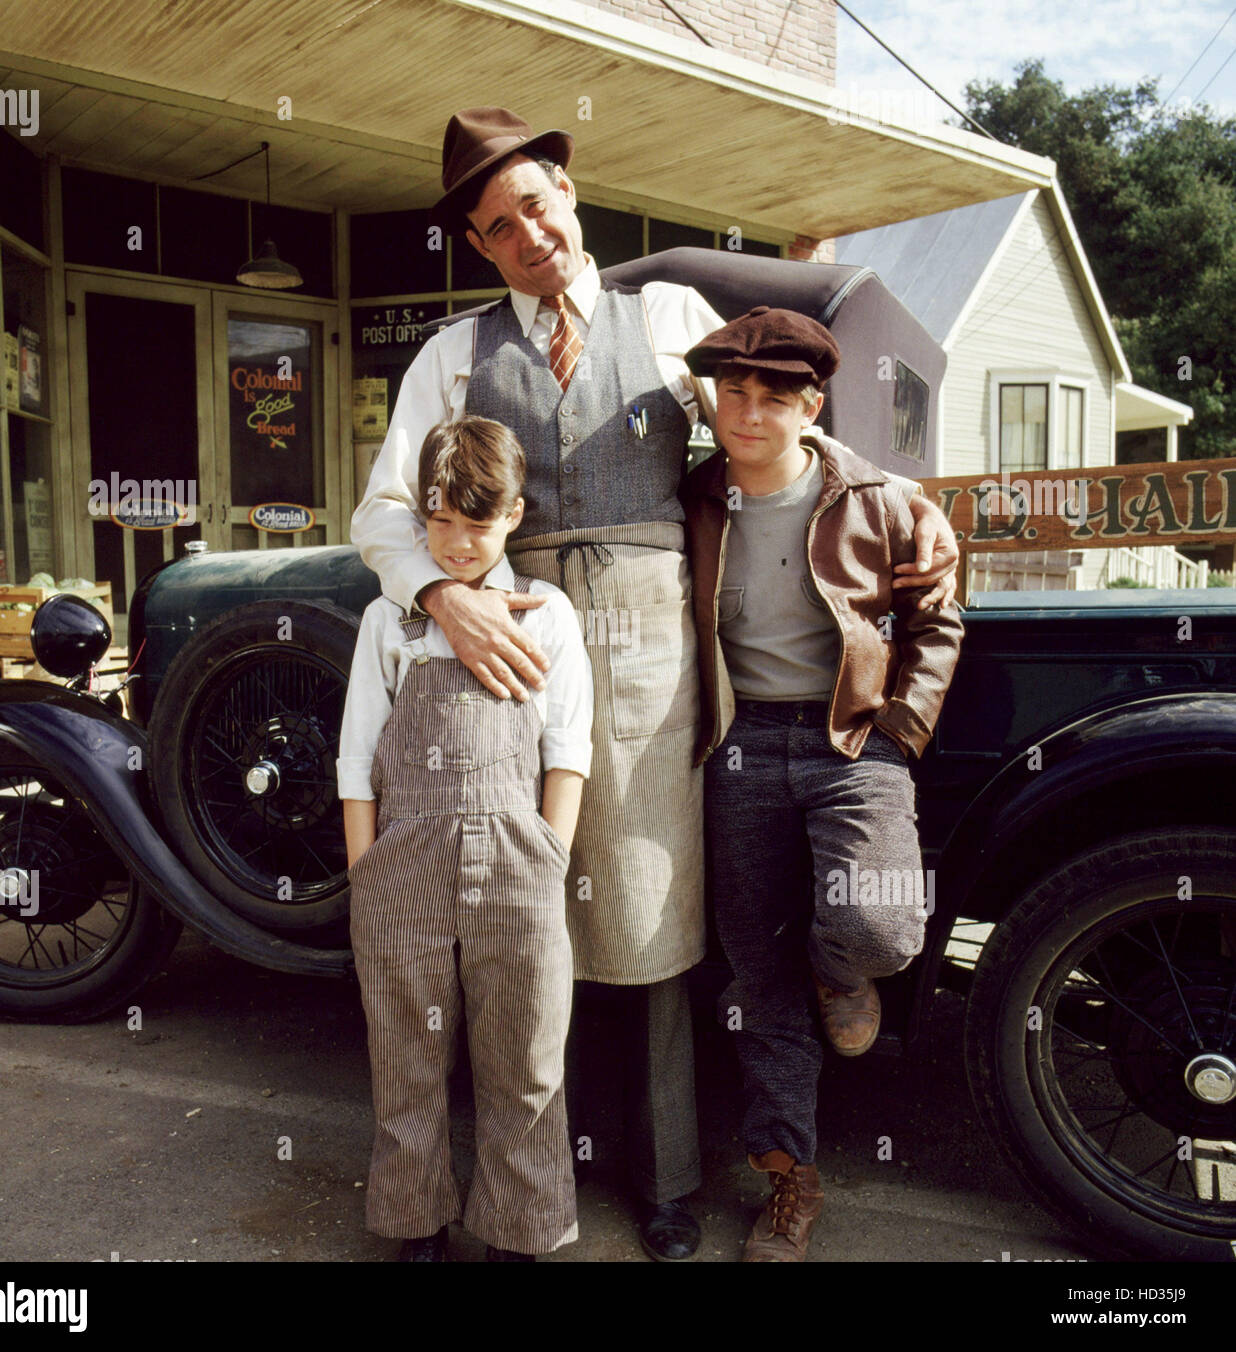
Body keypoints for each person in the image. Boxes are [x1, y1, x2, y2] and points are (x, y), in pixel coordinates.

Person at [349, 106, 960, 1260]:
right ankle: (523, 1187)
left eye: (538, 203)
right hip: (502, 662)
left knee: (650, 925)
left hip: (652, 667)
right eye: (498, 225)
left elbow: (767, 416)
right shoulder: (453, 354)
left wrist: (873, 493)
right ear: (479, 247)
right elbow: (383, 509)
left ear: (570, 195)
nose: (527, 233)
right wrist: (445, 596)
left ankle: (666, 1179)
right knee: (516, 927)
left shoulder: (672, 316)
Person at [679, 306, 964, 1261]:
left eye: (772, 397)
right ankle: (790, 1180)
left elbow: (938, 614)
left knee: (883, 922)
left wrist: (901, 732)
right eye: (733, 393)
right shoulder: (696, 499)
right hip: (742, 745)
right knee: (755, 977)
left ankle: (836, 967)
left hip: (852, 742)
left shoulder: (882, 499)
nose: (747, 414)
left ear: (811, 406)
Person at [338, 415, 593, 1262]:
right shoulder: (392, 622)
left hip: (519, 862)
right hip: (403, 861)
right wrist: (365, 869)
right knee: (406, 1051)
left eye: (475, 526)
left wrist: (549, 855)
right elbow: (354, 760)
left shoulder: (546, 614)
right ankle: (415, 1223)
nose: (453, 545)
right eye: (437, 523)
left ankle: (520, 1227)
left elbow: (569, 749)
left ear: (514, 515)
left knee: (524, 1054)